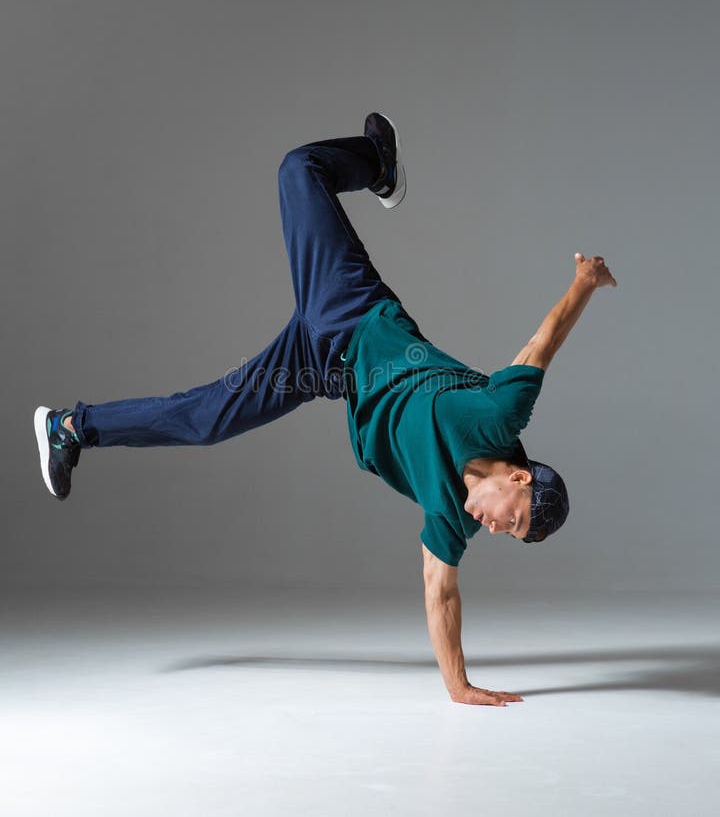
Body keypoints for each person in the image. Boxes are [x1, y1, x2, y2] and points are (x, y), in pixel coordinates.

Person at [34, 113, 617, 706]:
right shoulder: (498, 417)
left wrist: (458, 686)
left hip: (320, 367)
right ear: (519, 478)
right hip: (352, 310)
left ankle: (70, 427)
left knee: (204, 421)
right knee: (299, 169)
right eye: (512, 520)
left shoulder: (452, 514)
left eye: (508, 534)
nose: (494, 528)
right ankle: (377, 161)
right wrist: (586, 281)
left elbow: (440, 591)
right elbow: (541, 345)